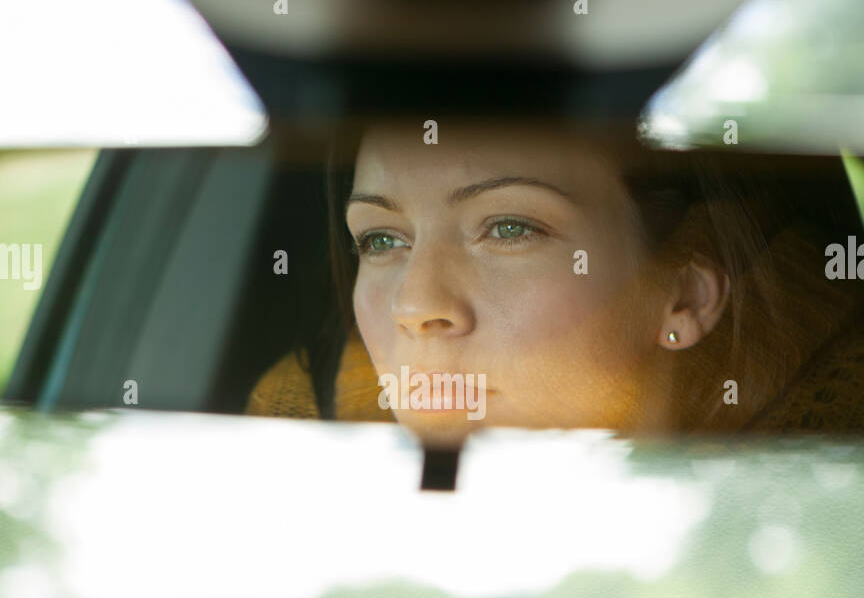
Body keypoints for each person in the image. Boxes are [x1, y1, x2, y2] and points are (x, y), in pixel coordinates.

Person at [247, 120, 864, 442]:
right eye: (380, 241)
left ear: (684, 296)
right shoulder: (295, 434)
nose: (416, 305)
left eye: (510, 228)